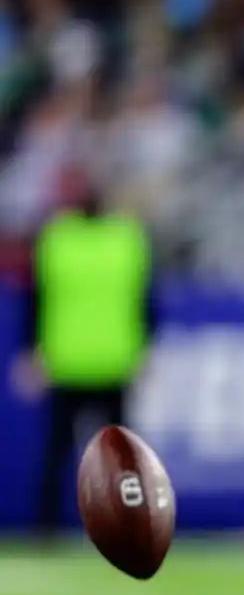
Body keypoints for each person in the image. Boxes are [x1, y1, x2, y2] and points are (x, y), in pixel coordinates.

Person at [21, 184, 156, 540]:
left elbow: (35, 300)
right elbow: (146, 302)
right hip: (113, 360)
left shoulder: (58, 240)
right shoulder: (126, 239)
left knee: (60, 451)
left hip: (69, 360)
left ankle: (46, 528)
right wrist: (146, 349)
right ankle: (130, 525)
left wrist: (32, 350)